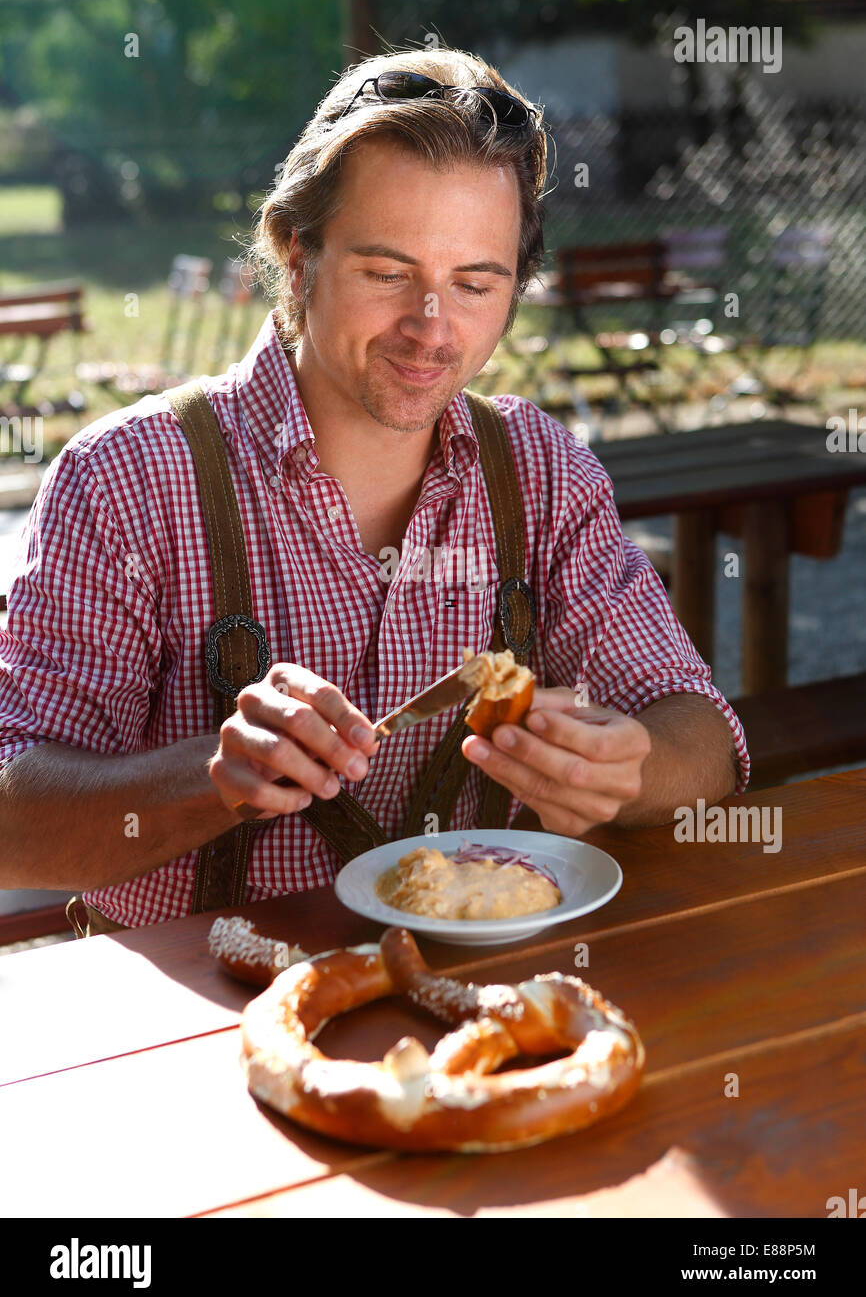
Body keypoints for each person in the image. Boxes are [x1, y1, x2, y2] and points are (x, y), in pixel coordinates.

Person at [0, 46, 748, 928]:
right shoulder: (128, 477)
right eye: (388, 273)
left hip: (479, 1007)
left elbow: (707, 742)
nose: (432, 329)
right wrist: (212, 773)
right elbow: (14, 824)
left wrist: (632, 767)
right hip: (207, 1030)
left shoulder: (540, 471)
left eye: (476, 283)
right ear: (296, 251)